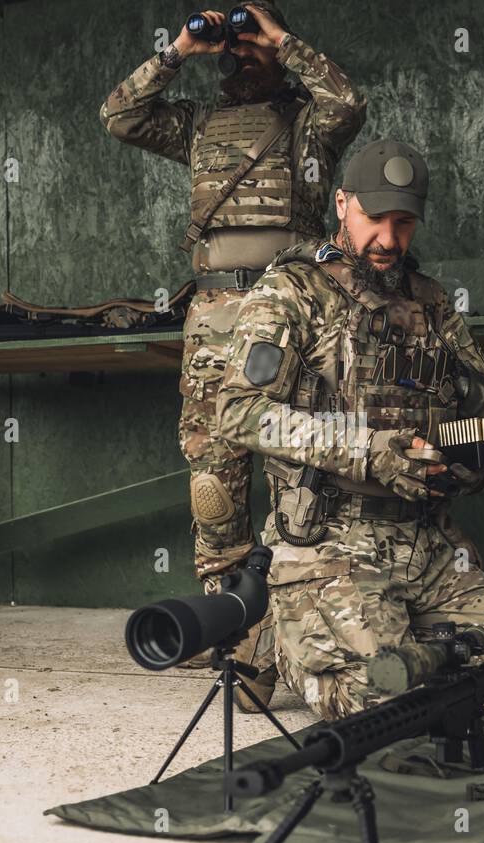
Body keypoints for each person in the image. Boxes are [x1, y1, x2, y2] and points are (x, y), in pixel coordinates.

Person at [215, 139, 484, 720]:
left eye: (404, 223)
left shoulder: (431, 301)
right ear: (342, 204)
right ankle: (282, 627)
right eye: (375, 219)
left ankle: (373, 637)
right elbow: (238, 410)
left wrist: (475, 450)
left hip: (427, 545)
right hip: (330, 540)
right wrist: (369, 451)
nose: (389, 239)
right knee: (388, 703)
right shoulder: (292, 292)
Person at [100, 2, 366, 708]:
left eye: (252, 41)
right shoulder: (196, 125)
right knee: (213, 484)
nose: (239, 49)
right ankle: (232, 635)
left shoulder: (312, 121)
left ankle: (298, 630)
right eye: (233, 41)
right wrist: (180, 48)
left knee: (297, 482)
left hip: (291, 314)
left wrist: (278, 37)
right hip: (214, 316)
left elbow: (349, 98)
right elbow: (119, 116)